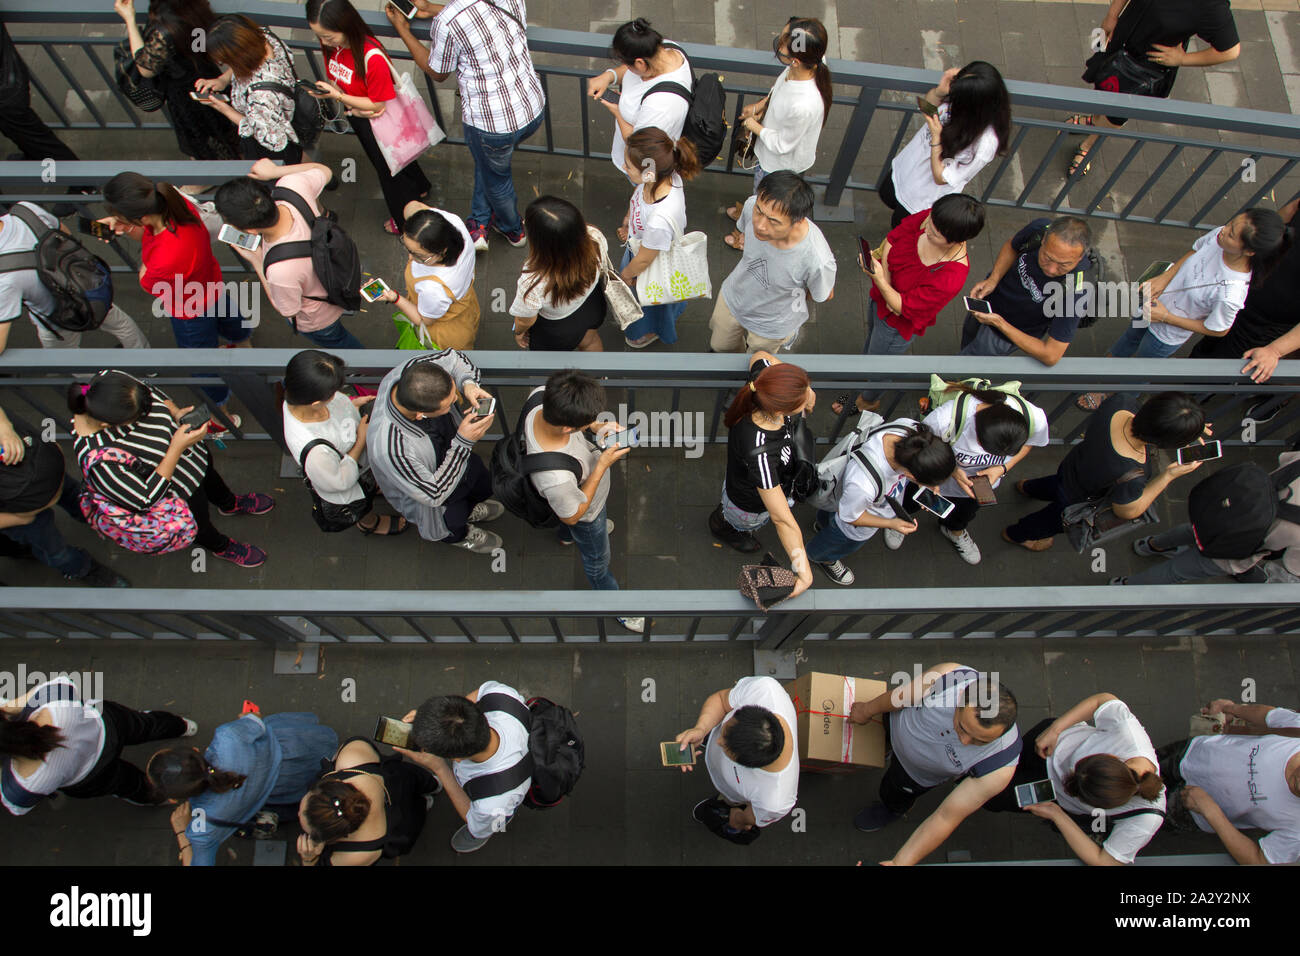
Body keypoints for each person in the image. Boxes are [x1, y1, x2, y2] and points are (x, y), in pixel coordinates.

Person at [1077, 209, 1291, 410]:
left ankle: (1116, 395)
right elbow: (1194, 251)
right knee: (1128, 338)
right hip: (1153, 305)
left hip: (1166, 334)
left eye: (1232, 234)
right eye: (1230, 224)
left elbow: (1218, 330)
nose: (1224, 230)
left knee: (1142, 368)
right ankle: (1104, 370)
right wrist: (1164, 278)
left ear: (1249, 251)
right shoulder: (1219, 238)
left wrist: (1167, 317)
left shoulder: (1232, 294)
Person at [69, 370, 273, 568]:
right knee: (200, 523)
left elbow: (153, 394)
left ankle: (229, 504)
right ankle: (221, 547)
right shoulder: (97, 460)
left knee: (212, 479)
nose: (146, 411)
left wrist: (175, 412)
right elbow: (145, 498)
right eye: (138, 415)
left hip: (193, 458)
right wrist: (176, 447)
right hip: (178, 493)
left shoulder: (113, 382)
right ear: (107, 425)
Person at [388, 0, 544, 251]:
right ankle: (480, 224)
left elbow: (438, 72)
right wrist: (435, 9)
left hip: (492, 125)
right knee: (490, 166)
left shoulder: (448, 22)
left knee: (497, 178)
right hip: (531, 106)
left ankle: (513, 229)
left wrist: (403, 29)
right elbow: (481, 15)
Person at [101, 172, 251, 412]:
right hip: (212, 284)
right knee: (233, 323)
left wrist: (132, 230)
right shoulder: (176, 202)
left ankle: (220, 416)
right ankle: (246, 356)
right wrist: (129, 223)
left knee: (202, 366)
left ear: (143, 216)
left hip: (189, 310)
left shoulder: (164, 257)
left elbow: (147, 281)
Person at [849, 663, 1020, 865]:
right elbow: (899, 697)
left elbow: (945, 817)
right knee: (881, 735)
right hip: (896, 723)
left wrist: (899, 863)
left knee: (893, 792)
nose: (965, 742)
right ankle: (887, 749)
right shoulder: (949, 678)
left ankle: (891, 809)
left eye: (980, 741)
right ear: (960, 700)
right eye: (962, 728)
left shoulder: (1000, 766)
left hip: (912, 775)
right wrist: (868, 710)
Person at [1003, 391, 1207, 551]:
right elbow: (1127, 511)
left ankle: (1026, 488)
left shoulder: (1121, 403)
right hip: (1078, 498)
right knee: (1048, 521)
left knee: (1054, 483)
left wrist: (1180, 422)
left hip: (1072, 465)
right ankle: (1016, 534)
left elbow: (1150, 417)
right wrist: (1169, 475)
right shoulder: (1132, 474)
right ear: (1165, 440)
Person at [524, 370, 643, 633]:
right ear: (567, 427)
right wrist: (602, 464)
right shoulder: (556, 479)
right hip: (587, 514)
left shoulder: (541, 396)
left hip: (565, 498)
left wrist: (597, 427)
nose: (592, 422)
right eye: (586, 421)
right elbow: (573, 515)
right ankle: (615, 604)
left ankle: (567, 537)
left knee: (569, 524)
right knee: (598, 561)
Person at [985, 693, 1165, 866]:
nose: (1065, 778)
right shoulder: (1128, 736)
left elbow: (1105, 861)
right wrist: (1055, 729)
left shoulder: (1146, 819)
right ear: (1111, 756)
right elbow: (1102, 700)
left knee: (992, 797)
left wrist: (1058, 815)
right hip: (1050, 744)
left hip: (1047, 791)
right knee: (998, 758)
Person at [148, 704, 338, 866]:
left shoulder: (202, 828)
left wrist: (183, 832)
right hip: (296, 745)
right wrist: (246, 717)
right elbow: (255, 720)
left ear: (174, 798)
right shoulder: (227, 737)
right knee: (329, 756)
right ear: (195, 751)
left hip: (284, 792)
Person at [1068, 0, 1240, 177]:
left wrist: (1182, 59)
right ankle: (1095, 121)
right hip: (1121, 40)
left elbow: (1230, 51)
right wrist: (1112, 15)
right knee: (1103, 84)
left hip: (1144, 68)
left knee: (1116, 112)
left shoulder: (1211, 6)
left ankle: (1088, 145)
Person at [307, 0, 431, 235]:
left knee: (388, 171)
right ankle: (420, 186)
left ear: (346, 27)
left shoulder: (370, 57)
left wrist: (338, 96)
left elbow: (377, 104)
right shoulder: (334, 46)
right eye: (319, 36)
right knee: (397, 157)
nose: (323, 42)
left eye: (328, 37)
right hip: (361, 115)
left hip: (375, 122)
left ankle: (404, 220)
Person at [849, 194, 983, 410]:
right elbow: (893, 239)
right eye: (929, 222)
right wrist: (888, 286)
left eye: (936, 233)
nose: (927, 229)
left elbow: (902, 307)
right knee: (871, 349)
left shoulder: (950, 276)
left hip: (895, 324)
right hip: (882, 300)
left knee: (879, 367)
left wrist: (881, 279)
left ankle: (867, 400)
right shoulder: (933, 219)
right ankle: (858, 382)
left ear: (956, 240)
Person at [214, 158, 362, 351]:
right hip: (340, 272)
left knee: (340, 343)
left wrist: (257, 260)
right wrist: (276, 171)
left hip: (319, 316)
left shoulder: (280, 270)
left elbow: (287, 309)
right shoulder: (292, 186)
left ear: (249, 231)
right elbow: (323, 169)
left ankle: (361, 370)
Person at [366, 352, 504, 553]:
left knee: (481, 483)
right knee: (452, 522)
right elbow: (433, 493)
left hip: (458, 457)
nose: (456, 401)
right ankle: (462, 535)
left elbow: (455, 358)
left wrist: (468, 384)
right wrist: (464, 442)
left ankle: (471, 508)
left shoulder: (417, 368)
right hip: (439, 497)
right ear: (421, 415)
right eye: (449, 404)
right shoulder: (390, 448)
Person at [1, 676, 193, 815]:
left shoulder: (25, 784)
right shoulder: (53, 704)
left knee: (131, 785)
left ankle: (159, 796)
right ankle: (182, 726)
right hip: (109, 725)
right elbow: (66, 683)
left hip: (91, 777)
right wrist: (7, 707)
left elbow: (17, 806)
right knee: (147, 725)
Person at [709, 350, 815, 599]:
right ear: (782, 410)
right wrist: (804, 572)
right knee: (735, 519)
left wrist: (805, 392)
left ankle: (725, 520)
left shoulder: (762, 386)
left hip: (753, 485)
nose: (810, 399)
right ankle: (725, 527)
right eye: (802, 401)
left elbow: (760, 354)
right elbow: (782, 520)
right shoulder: (762, 454)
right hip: (749, 507)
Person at [722, 17, 832, 251]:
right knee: (760, 194)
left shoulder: (804, 104)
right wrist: (761, 105)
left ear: (794, 59)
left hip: (778, 163)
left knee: (765, 198)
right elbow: (779, 88)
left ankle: (747, 233)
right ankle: (748, 213)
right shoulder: (806, 65)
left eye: (782, 42)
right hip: (774, 155)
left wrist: (753, 125)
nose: (778, 44)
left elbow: (782, 145)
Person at [1118, 448, 1300, 586]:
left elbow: (1285, 459)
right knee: (1176, 571)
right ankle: (1126, 586)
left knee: (1192, 531)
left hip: (1229, 507)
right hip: (1235, 547)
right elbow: (1293, 564)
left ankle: (1150, 545)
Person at [806, 420, 956, 586]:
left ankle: (822, 526)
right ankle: (821, 557)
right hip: (852, 525)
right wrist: (891, 523)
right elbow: (849, 516)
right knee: (838, 542)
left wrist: (927, 480)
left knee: (830, 518)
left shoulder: (912, 430)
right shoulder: (863, 485)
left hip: (845, 497)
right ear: (912, 475)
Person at [915, 385, 1049, 566]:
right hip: (936, 478)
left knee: (965, 512)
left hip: (980, 486)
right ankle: (899, 521)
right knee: (912, 502)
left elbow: (1029, 444)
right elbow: (919, 449)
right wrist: (951, 470)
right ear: (977, 432)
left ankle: (954, 530)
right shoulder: (944, 420)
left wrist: (1002, 468)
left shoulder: (1034, 418)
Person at [1157, 697, 1300, 864]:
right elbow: (1269, 716)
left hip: (1191, 812)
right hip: (1192, 751)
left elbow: (1258, 860)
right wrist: (1231, 709)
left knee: (1131, 811)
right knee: (1128, 774)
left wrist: (1212, 812)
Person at [282, 350, 407, 537]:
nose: (337, 394)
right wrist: (360, 441)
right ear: (316, 402)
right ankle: (369, 523)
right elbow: (341, 482)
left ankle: (374, 486)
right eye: (333, 392)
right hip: (350, 479)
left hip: (362, 466)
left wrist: (353, 404)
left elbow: (335, 410)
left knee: (371, 484)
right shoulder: (314, 451)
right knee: (362, 506)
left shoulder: (301, 398)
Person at [708, 171, 836, 354]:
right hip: (733, 298)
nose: (760, 225)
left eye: (773, 222)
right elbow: (745, 230)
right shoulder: (752, 204)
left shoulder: (816, 258)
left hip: (772, 324)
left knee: (756, 364)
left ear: (797, 221)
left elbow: (824, 293)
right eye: (759, 212)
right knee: (720, 348)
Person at [0, 404, 128, 587]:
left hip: (44, 472)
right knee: (54, 550)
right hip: (19, 515)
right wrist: (19, 519)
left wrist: (5, 429)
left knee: (77, 496)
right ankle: (81, 568)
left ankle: (101, 520)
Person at [0, 200, 148, 355]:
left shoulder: (5, 279)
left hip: (58, 318)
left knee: (62, 357)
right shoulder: (25, 209)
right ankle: (147, 361)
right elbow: (64, 233)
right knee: (121, 324)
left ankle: (92, 378)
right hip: (86, 286)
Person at [399, 681, 532, 853]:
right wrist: (433, 722)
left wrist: (440, 768)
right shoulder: (498, 694)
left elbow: (473, 821)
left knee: (488, 826)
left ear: (457, 758)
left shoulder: (492, 804)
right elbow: (468, 702)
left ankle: (485, 835)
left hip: (501, 806)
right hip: (525, 740)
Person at [878, 61, 1009, 228]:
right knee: (886, 195)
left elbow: (942, 178)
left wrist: (936, 139)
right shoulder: (960, 101)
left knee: (899, 229)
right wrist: (940, 91)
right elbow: (927, 108)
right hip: (905, 169)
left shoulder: (984, 144)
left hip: (921, 198)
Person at [113, 0, 240, 165]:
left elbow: (145, 68)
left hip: (184, 92)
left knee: (199, 136)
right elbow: (198, 45)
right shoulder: (194, 10)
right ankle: (231, 157)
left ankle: (210, 172)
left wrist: (129, 19)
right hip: (205, 75)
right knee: (220, 126)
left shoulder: (166, 28)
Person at [674, 676, 799, 842]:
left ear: (745, 765)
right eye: (724, 729)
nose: (717, 740)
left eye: (725, 747)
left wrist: (736, 816)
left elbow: (747, 818)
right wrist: (702, 729)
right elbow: (722, 701)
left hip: (731, 796)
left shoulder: (775, 801)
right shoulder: (764, 689)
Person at [960, 216, 1095, 365]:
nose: (1050, 269)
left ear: (1080, 257)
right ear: (1043, 240)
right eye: (1047, 257)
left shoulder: (1078, 290)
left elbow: (1051, 355)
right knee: (967, 340)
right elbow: (1012, 246)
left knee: (968, 365)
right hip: (986, 301)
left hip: (1004, 334)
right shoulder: (1039, 229)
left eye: (1063, 265)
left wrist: (999, 323)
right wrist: (993, 279)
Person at [616, 127, 701, 348]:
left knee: (645, 303)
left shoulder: (659, 220)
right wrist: (628, 220)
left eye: (629, 165)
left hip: (646, 265)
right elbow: (637, 199)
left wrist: (625, 276)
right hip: (645, 248)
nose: (625, 167)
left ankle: (647, 331)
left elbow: (644, 259)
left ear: (648, 172)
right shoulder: (665, 177)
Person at [296, 737, 438, 866]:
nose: (297, 813)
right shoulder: (351, 757)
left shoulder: (356, 855)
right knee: (418, 780)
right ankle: (435, 784)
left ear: (332, 838)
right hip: (399, 781)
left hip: (403, 823)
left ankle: (425, 802)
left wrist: (309, 859)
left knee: (416, 811)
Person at [588, 19, 693, 179]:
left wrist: (617, 111)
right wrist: (611, 76)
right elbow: (629, 71)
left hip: (644, 168)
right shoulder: (663, 49)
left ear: (640, 63)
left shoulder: (661, 106)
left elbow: (638, 145)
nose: (627, 68)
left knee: (642, 193)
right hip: (639, 161)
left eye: (627, 64)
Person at [197, 15, 303, 164]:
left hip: (273, 146)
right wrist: (223, 80)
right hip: (287, 114)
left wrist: (223, 108)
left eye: (225, 61)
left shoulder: (260, 96)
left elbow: (270, 138)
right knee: (299, 152)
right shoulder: (264, 37)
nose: (221, 63)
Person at [510, 196, 609, 352]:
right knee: (590, 341)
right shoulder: (595, 237)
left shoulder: (532, 280)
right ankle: (600, 375)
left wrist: (519, 332)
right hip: (591, 305)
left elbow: (525, 318)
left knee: (551, 361)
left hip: (557, 328)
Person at [378, 201, 480, 351]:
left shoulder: (433, 288)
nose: (411, 259)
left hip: (444, 333)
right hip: (465, 306)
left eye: (419, 256)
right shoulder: (451, 223)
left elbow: (423, 319)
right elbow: (412, 206)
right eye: (408, 248)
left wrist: (395, 298)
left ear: (442, 251)